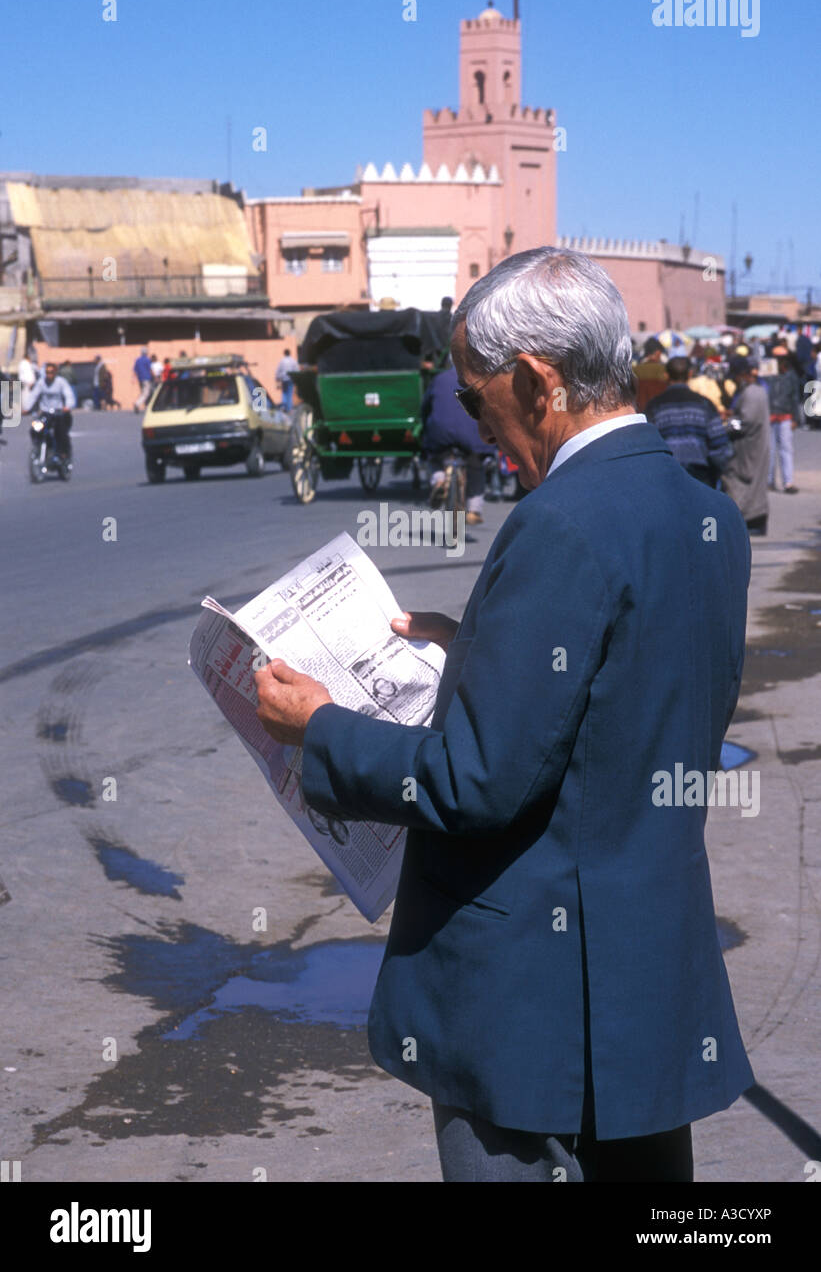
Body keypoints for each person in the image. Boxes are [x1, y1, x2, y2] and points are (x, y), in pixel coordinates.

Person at [253, 246, 754, 1183]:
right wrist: (483, 646)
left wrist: (317, 724)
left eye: (478, 401)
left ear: (535, 381)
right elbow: (632, 701)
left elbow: (476, 781)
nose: (480, 433)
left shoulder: (559, 522)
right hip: (645, 974)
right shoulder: (703, 513)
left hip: (533, 995)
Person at [420, 364, 495, 524]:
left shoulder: (438, 379)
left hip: (441, 434)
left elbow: (425, 407)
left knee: (433, 459)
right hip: (473, 436)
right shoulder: (480, 377)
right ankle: (474, 510)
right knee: (476, 468)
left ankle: (439, 479)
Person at [644, 357, 733, 486]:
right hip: (700, 477)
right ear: (690, 374)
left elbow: (648, 445)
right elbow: (719, 446)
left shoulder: (654, 406)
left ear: (666, 375)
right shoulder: (704, 404)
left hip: (666, 478)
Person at [722, 355, 771, 535]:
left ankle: (752, 521)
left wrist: (725, 426)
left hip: (750, 447)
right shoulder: (755, 391)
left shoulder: (752, 393)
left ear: (741, 374)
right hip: (753, 444)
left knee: (741, 482)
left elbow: (745, 421)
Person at [765, 345, 801, 493]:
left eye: (782, 359)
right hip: (770, 416)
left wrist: (795, 418)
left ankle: (788, 482)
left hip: (786, 416)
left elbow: (795, 397)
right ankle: (769, 481)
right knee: (770, 450)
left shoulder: (791, 375)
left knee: (786, 449)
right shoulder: (768, 374)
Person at [26, 360, 76, 460]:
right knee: (35, 428)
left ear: (55, 372)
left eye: (51, 372)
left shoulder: (61, 382)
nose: (49, 374)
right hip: (46, 413)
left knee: (60, 431)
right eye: (47, 372)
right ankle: (40, 447)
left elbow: (69, 395)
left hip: (59, 413)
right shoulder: (41, 383)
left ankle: (62, 452)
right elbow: (33, 396)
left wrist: (68, 406)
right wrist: (26, 408)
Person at [632, 336, 668, 411]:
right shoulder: (663, 369)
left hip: (640, 409)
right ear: (657, 352)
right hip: (659, 408)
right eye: (660, 353)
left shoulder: (635, 369)